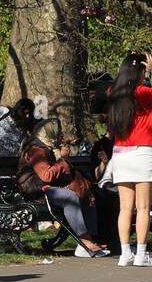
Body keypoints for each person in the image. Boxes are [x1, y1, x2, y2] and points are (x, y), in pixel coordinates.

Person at [106, 51, 152, 267]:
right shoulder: (143, 92)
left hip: (119, 154)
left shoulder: (113, 92)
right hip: (141, 153)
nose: (146, 75)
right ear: (140, 72)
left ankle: (125, 253)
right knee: (144, 207)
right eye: (144, 71)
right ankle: (141, 254)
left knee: (125, 208)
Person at [11, 105, 109, 257]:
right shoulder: (37, 149)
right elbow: (46, 176)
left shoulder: (49, 148)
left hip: (49, 188)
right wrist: (63, 159)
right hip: (36, 191)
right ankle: (84, 240)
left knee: (89, 195)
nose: (61, 135)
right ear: (50, 133)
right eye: (58, 132)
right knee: (70, 197)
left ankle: (89, 239)